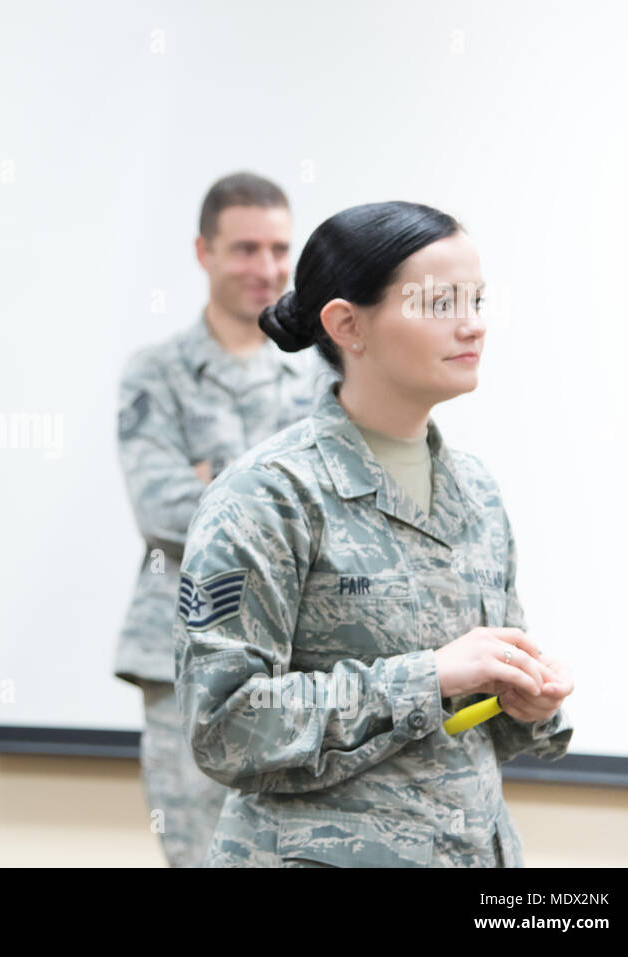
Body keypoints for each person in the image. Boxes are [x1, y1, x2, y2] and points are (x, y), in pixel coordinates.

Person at [173, 200, 573, 867]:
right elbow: (222, 725)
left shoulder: (476, 491)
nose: (472, 323)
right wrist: (428, 675)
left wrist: (524, 701)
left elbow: (464, 723)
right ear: (347, 324)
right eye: (441, 302)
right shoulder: (267, 495)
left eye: (476, 299)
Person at [114, 172, 333, 867]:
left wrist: (221, 483)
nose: (266, 269)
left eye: (278, 249)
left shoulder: (326, 376)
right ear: (203, 251)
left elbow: (338, 517)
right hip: (187, 656)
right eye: (244, 249)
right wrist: (283, 504)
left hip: (306, 664)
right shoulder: (157, 372)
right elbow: (162, 509)